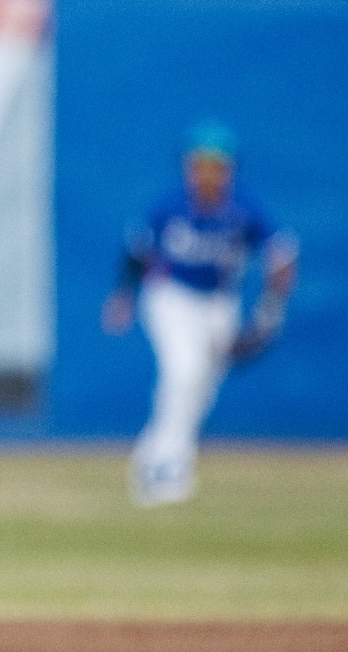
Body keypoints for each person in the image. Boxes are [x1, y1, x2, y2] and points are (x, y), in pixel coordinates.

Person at [102, 120, 297, 506]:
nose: (207, 173)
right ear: (188, 167)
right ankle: (167, 468)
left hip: (218, 303)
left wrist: (270, 314)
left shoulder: (243, 207)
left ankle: (153, 454)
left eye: (216, 165)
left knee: (202, 388)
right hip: (170, 295)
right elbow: (137, 248)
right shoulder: (172, 205)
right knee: (183, 370)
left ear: (229, 169)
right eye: (200, 164)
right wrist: (123, 295)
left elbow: (283, 254)